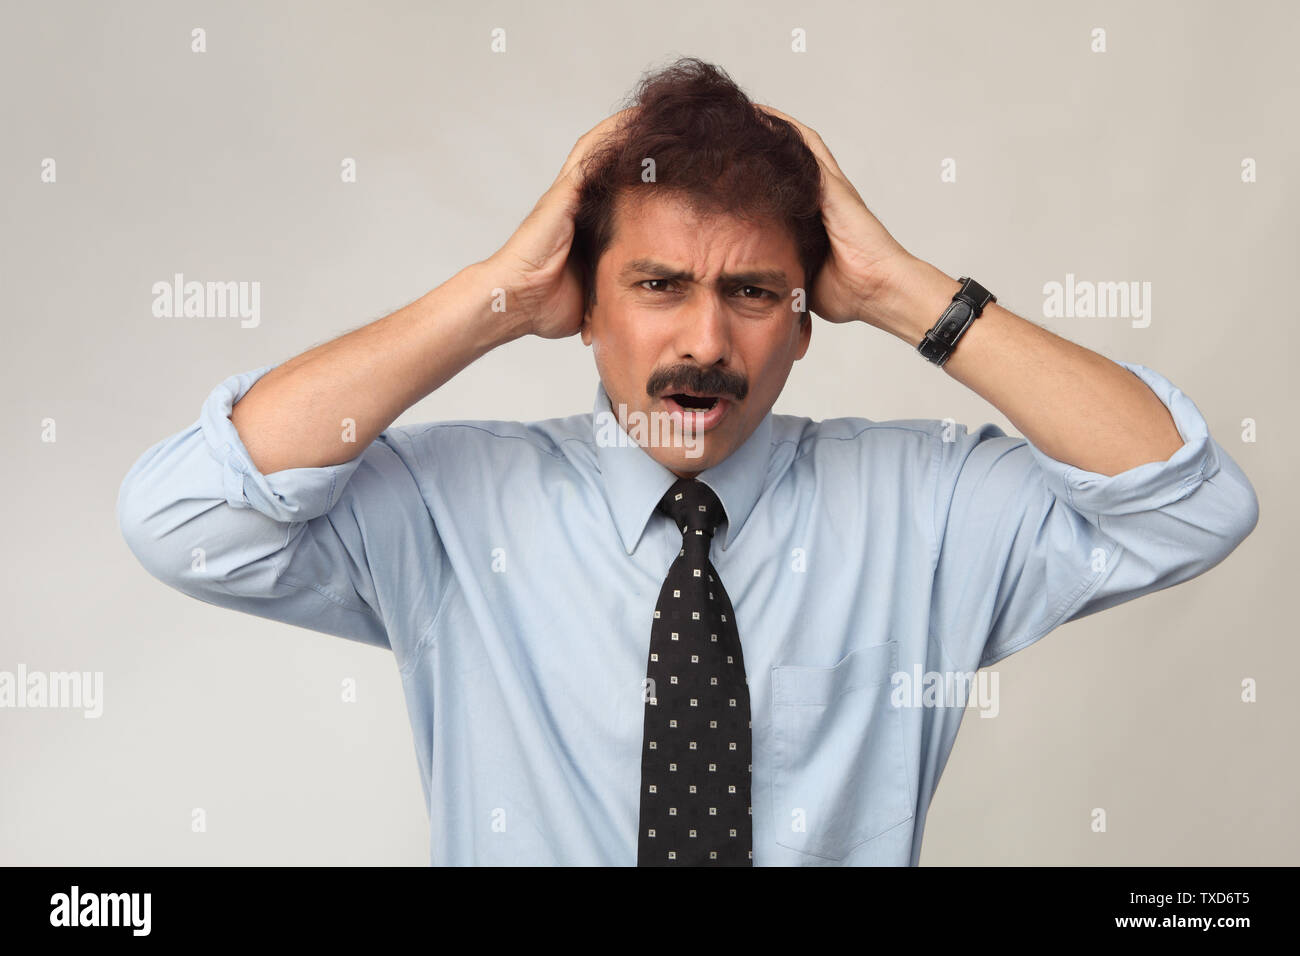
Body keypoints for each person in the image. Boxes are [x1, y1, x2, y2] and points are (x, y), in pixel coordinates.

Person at [117, 57, 1259, 866]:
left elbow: (1190, 503)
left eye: (754, 293)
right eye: (657, 284)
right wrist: (492, 298)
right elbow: (185, 518)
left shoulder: (928, 509)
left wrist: (910, 291)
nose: (706, 342)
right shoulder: (451, 511)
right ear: (583, 304)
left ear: (810, 320)